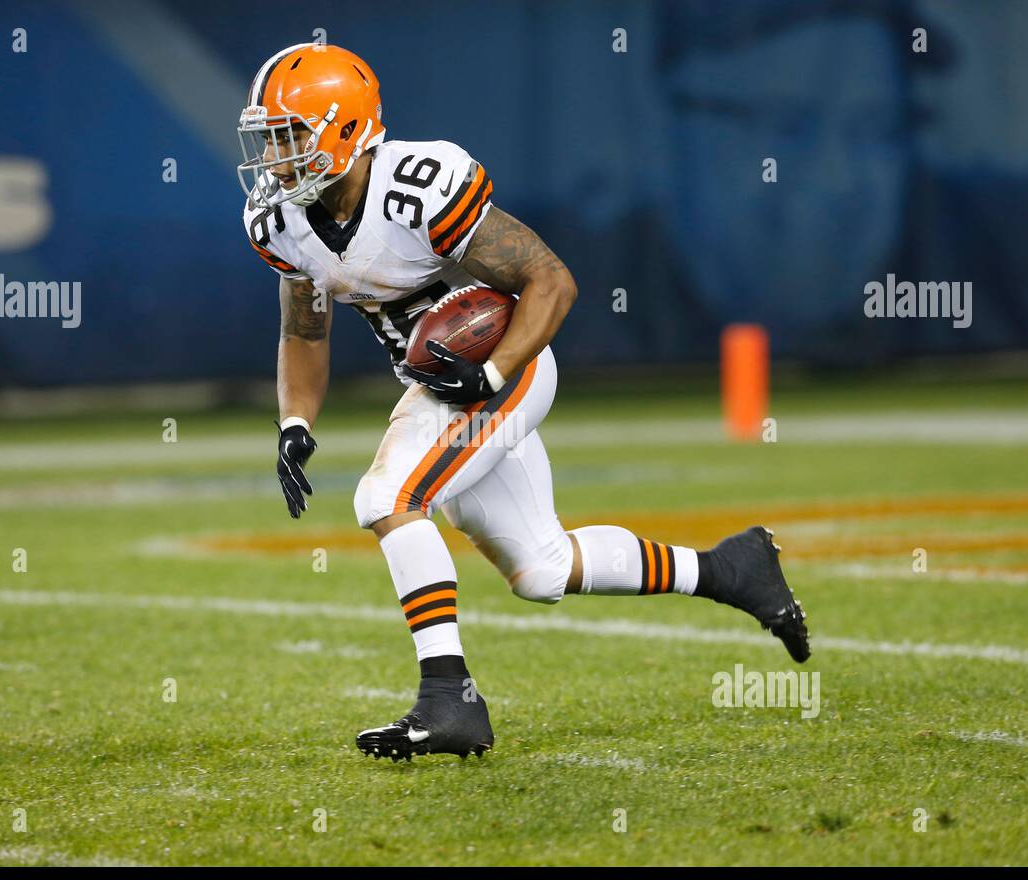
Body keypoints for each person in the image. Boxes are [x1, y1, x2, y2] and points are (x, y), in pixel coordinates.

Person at [239, 43, 809, 762]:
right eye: (269, 139)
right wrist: (295, 422)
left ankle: (450, 703)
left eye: (289, 135)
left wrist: (493, 373)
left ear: (346, 129)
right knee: (540, 569)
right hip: (445, 384)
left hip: (505, 369)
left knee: (386, 496)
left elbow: (551, 280)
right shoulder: (284, 223)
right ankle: (733, 570)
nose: (274, 156)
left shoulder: (415, 187)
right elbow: (305, 329)